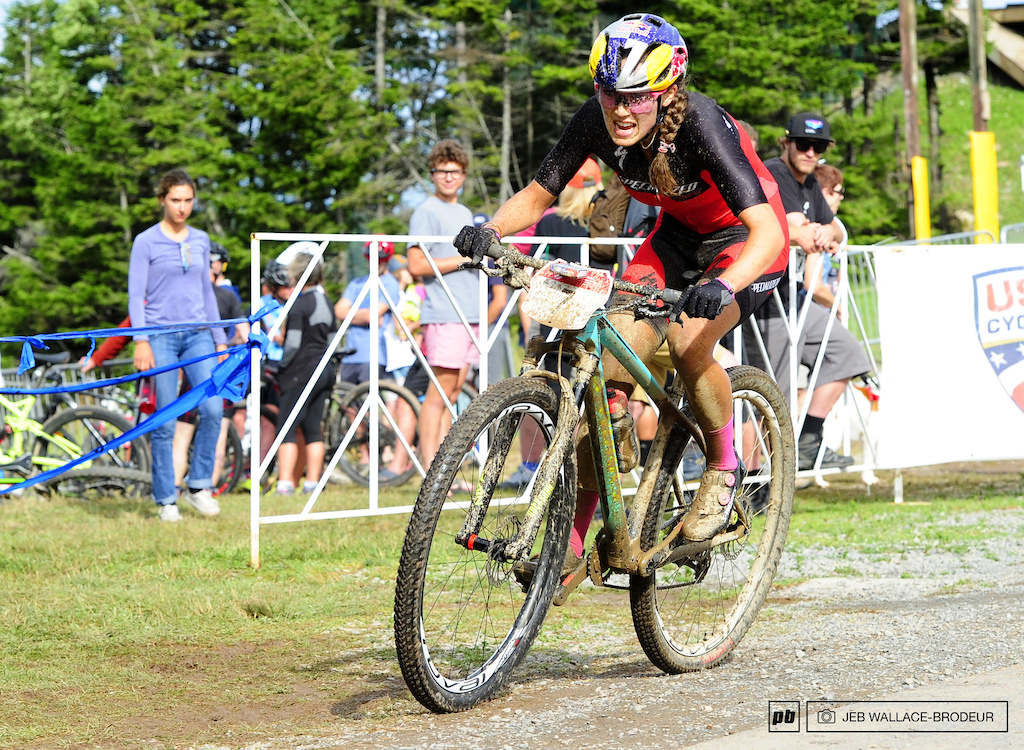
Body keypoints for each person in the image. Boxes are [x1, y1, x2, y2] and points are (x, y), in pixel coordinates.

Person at [455, 14, 789, 569]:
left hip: (745, 241)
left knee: (688, 344)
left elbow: (769, 231)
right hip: (676, 239)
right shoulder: (596, 119)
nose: (621, 109)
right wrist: (490, 230)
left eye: (637, 97)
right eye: (610, 93)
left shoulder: (700, 123)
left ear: (666, 91)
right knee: (602, 357)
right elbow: (539, 195)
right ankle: (577, 542)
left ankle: (724, 470)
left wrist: (725, 284)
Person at [745, 113, 870, 471]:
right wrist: (809, 228)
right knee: (772, 396)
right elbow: (782, 222)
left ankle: (809, 441)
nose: (811, 152)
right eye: (803, 144)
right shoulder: (771, 172)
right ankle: (759, 478)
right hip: (764, 301)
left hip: (795, 302)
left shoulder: (811, 183)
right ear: (786, 143)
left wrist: (831, 231)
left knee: (848, 353)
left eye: (819, 147)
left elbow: (832, 225)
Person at [128, 168, 227, 522]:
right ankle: (166, 498)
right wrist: (141, 341)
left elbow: (207, 291)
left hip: (199, 334)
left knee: (213, 408)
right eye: (175, 200)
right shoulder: (146, 241)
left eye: (188, 200)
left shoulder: (200, 240)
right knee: (166, 418)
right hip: (160, 337)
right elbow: (135, 296)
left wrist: (219, 339)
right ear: (162, 200)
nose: (182, 207)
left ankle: (199, 485)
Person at [406, 139, 479, 478]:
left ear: (463, 175)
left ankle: (444, 472)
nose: (448, 177)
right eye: (441, 171)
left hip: (470, 310)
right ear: (432, 174)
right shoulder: (426, 211)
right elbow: (416, 264)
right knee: (438, 394)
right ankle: (428, 472)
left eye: (455, 172)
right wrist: (464, 258)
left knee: (454, 393)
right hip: (444, 310)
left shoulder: (464, 213)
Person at [274, 252, 337, 495]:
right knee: (313, 426)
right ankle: (312, 482)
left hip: (302, 371)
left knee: (287, 426)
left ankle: (285, 482)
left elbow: (291, 344)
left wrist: (282, 366)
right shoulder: (327, 303)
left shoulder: (299, 305)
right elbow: (333, 340)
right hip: (325, 370)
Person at [334, 240, 401, 386]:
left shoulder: (390, 283)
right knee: (347, 404)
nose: (374, 263)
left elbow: (370, 316)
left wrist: (353, 314)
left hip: (373, 354)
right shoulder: (357, 282)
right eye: (371, 258)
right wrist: (365, 315)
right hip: (350, 355)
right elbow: (339, 311)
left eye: (379, 259)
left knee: (367, 404)